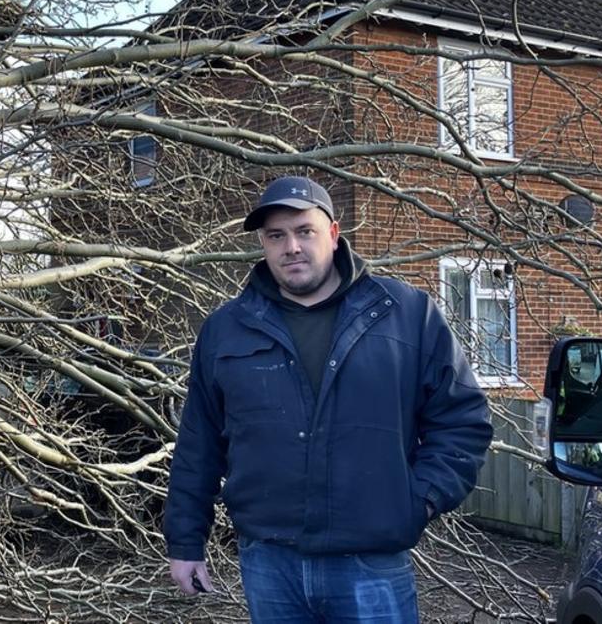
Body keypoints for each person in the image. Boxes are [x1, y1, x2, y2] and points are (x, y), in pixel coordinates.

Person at [164, 176, 493, 622]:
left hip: (371, 560)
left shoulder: (407, 315)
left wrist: (418, 502)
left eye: (305, 231)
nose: (291, 247)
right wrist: (185, 542)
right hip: (270, 560)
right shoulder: (228, 329)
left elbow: (462, 420)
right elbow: (199, 442)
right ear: (263, 243)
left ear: (334, 235)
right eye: (276, 236)